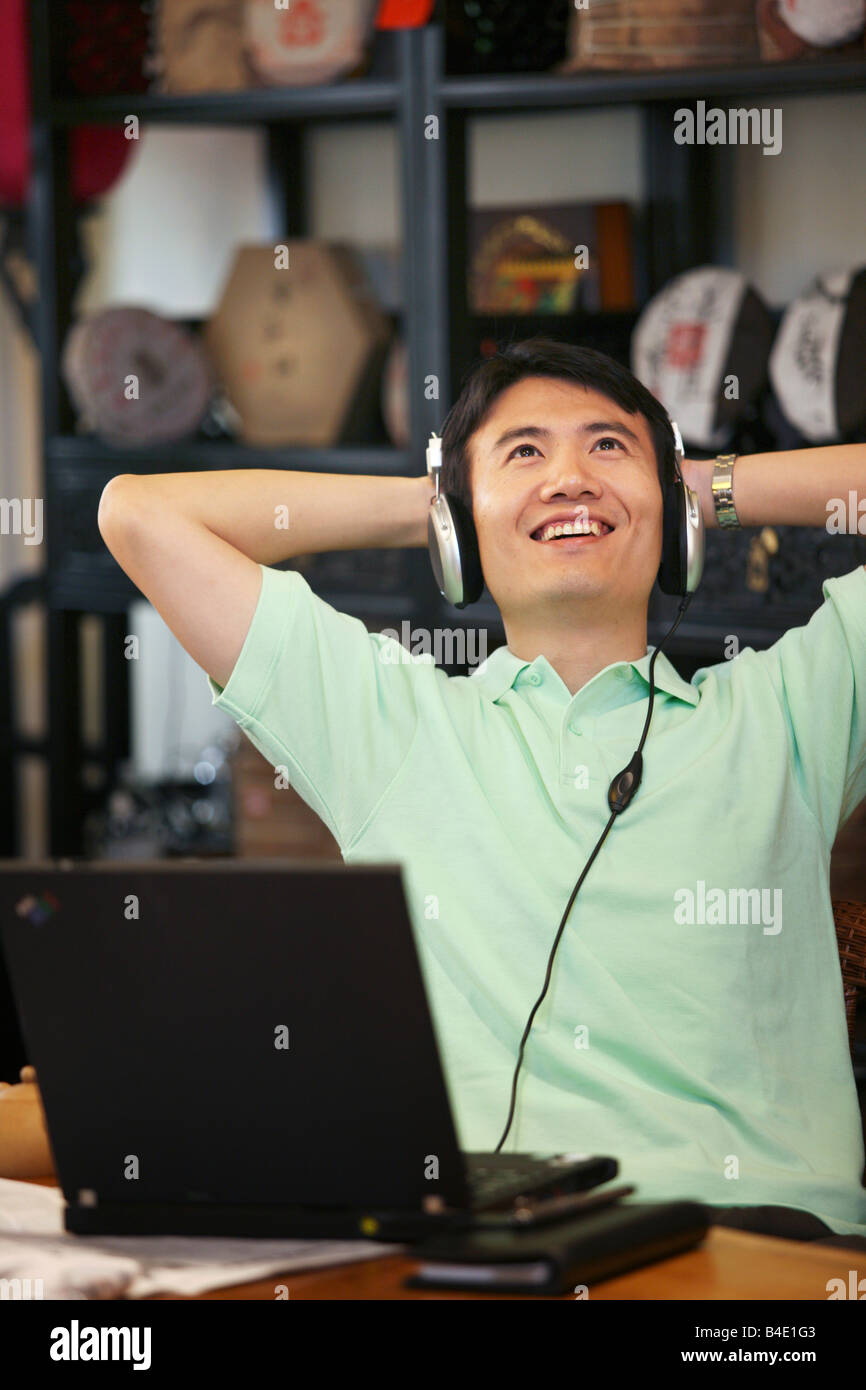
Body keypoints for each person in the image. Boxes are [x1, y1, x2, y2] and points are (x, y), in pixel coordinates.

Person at [4, 338, 866, 1252]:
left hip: (756, 1245)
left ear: (674, 514)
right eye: (524, 451)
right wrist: (434, 503)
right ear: (457, 524)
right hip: (486, 1245)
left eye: (609, 447)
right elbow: (137, 513)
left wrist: (713, 488)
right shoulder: (389, 720)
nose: (570, 477)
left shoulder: (785, 708)